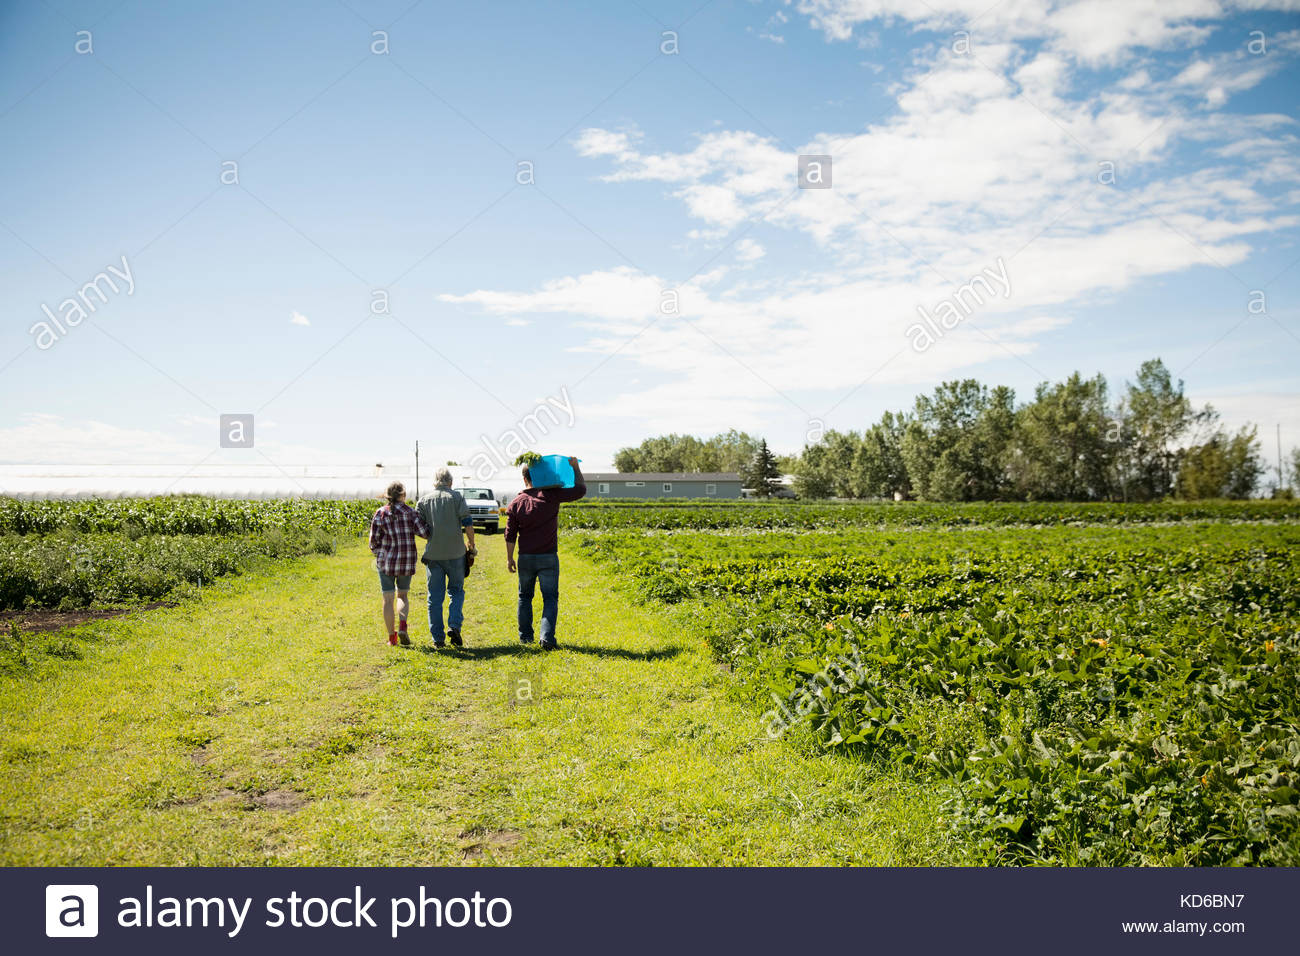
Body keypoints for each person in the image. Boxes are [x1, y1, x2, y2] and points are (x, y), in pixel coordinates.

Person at [505, 456, 586, 649]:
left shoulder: (516, 503)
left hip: (525, 557)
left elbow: (510, 535)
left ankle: (525, 638)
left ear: (525, 479)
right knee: (550, 597)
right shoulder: (552, 495)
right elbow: (580, 490)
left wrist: (509, 558)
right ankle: (547, 638)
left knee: (525, 596)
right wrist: (575, 467)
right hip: (548, 556)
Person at [416, 467, 477, 649]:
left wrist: (429, 535)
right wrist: (471, 544)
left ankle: (438, 639)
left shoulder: (424, 500)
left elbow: (418, 526)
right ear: (450, 482)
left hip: (433, 554)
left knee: (434, 597)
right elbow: (467, 522)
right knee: (456, 591)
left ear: (435, 482)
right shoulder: (457, 497)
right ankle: (454, 625)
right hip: (456, 553)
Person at [367, 481, 428, 646]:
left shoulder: (380, 513)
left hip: (386, 563)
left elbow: (373, 543)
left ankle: (391, 638)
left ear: (387, 496)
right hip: (406, 562)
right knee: (402, 596)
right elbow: (424, 533)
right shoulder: (410, 512)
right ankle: (402, 626)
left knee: (387, 599)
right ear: (403, 495)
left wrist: (380, 555)